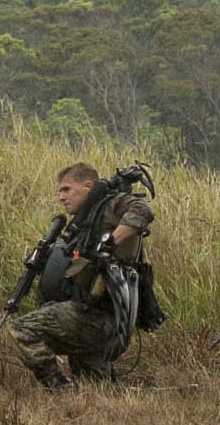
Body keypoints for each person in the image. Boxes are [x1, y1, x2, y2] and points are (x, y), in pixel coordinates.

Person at [8, 162, 154, 388]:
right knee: (95, 390)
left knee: (21, 329)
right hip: (90, 314)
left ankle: (57, 386)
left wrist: (111, 242)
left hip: (96, 316)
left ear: (88, 186)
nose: (61, 196)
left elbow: (143, 212)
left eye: (67, 189)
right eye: (59, 191)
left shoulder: (111, 205)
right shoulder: (87, 222)